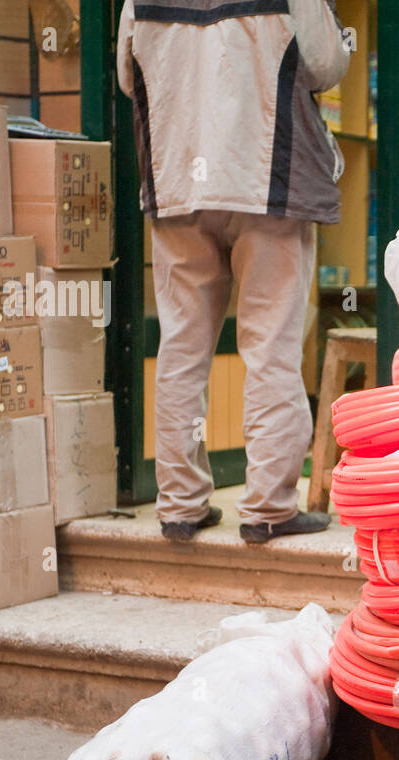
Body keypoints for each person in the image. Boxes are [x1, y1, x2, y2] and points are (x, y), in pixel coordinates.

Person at [117, 0, 348, 543]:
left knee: (181, 346)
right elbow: (325, 65)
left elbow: (130, 78)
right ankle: (268, 508)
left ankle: (179, 505)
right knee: (270, 345)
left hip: (177, 178)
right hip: (265, 179)